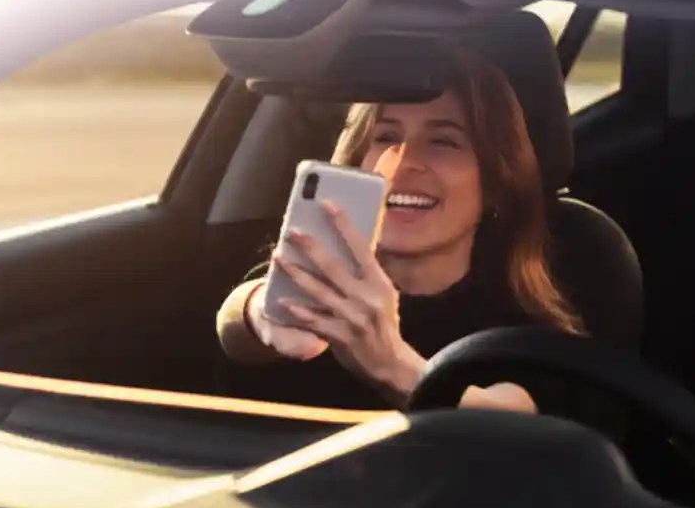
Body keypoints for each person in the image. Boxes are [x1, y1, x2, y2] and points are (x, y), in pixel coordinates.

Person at [215, 47, 584, 413]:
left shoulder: (528, 324)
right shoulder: (327, 277)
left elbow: (515, 424)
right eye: (387, 137)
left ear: (495, 180)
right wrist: (260, 313)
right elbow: (236, 322)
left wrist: (390, 364)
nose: (405, 162)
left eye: (443, 141)